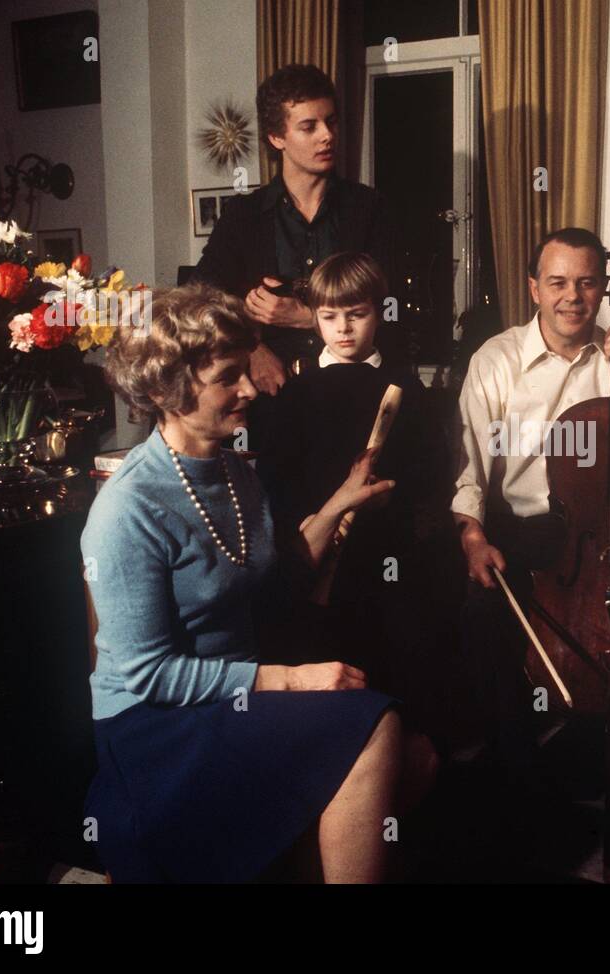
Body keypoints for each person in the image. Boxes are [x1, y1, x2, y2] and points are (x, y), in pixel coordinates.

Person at [82, 284, 432, 883]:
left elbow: (276, 573)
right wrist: (293, 680)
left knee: (419, 758)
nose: (249, 389)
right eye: (228, 377)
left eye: (246, 371)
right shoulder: (128, 507)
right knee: (377, 730)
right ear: (169, 388)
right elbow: (149, 673)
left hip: (234, 697)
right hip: (156, 727)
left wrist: (341, 500)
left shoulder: (232, 470)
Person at [453, 227, 610, 773]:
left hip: (604, 534)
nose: (573, 296)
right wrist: (472, 536)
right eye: (558, 282)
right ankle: (515, 767)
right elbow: (467, 461)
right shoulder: (496, 360)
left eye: (587, 283)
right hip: (515, 529)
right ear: (534, 288)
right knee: (484, 612)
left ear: (602, 288)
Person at [256, 252, 453, 735]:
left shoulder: (407, 388)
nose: (343, 329)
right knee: (323, 694)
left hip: (388, 560)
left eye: (357, 314)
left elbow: (430, 475)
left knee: (389, 684)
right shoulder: (293, 392)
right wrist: (310, 520)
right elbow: (275, 480)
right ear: (315, 318)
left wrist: (390, 498)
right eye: (329, 317)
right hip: (316, 560)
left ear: (379, 311)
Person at [192, 63, 394, 453]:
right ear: (276, 136)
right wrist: (252, 347)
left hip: (356, 401)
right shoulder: (243, 216)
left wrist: (305, 317)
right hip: (269, 411)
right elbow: (198, 299)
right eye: (309, 126)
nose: (327, 135)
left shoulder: (370, 209)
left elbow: (394, 310)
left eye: (331, 122)